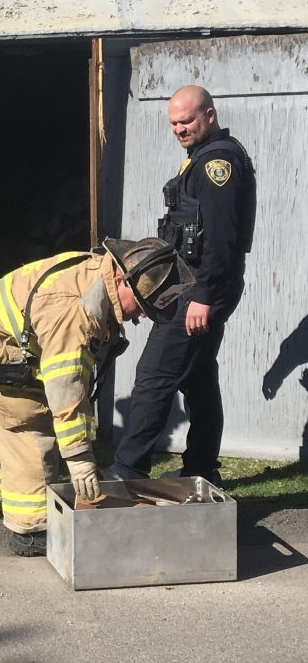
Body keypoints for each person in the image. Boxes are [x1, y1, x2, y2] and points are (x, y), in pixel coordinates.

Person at [0, 238, 194, 556]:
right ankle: (29, 530)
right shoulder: (75, 312)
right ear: (121, 278)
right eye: (142, 304)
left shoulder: (97, 272)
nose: (141, 316)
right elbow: (66, 389)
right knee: (30, 429)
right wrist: (79, 458)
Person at [110, 86, 256, 486]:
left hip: (200, 289)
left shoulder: (218, 163)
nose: (179, 129)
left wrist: (204, 298)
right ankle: (202, 469)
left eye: (187, 121)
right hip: (197, 285)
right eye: (174, 123)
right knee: (198, 378)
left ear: (209, 114)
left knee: (154, 376)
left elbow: (222, 240)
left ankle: (128, 472)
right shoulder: (201, 157)